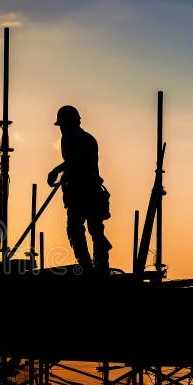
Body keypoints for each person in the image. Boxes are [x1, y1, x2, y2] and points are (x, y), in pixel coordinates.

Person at [46, 105, 112, 274]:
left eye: (62, 126)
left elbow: (76, 162)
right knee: (95, 230)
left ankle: (88, 267)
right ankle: (99, 267)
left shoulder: (72, 138)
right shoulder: (87, 138)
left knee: (76, 230)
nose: (61, 129)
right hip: (90, 193)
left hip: (82, 194)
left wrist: (57, 171)